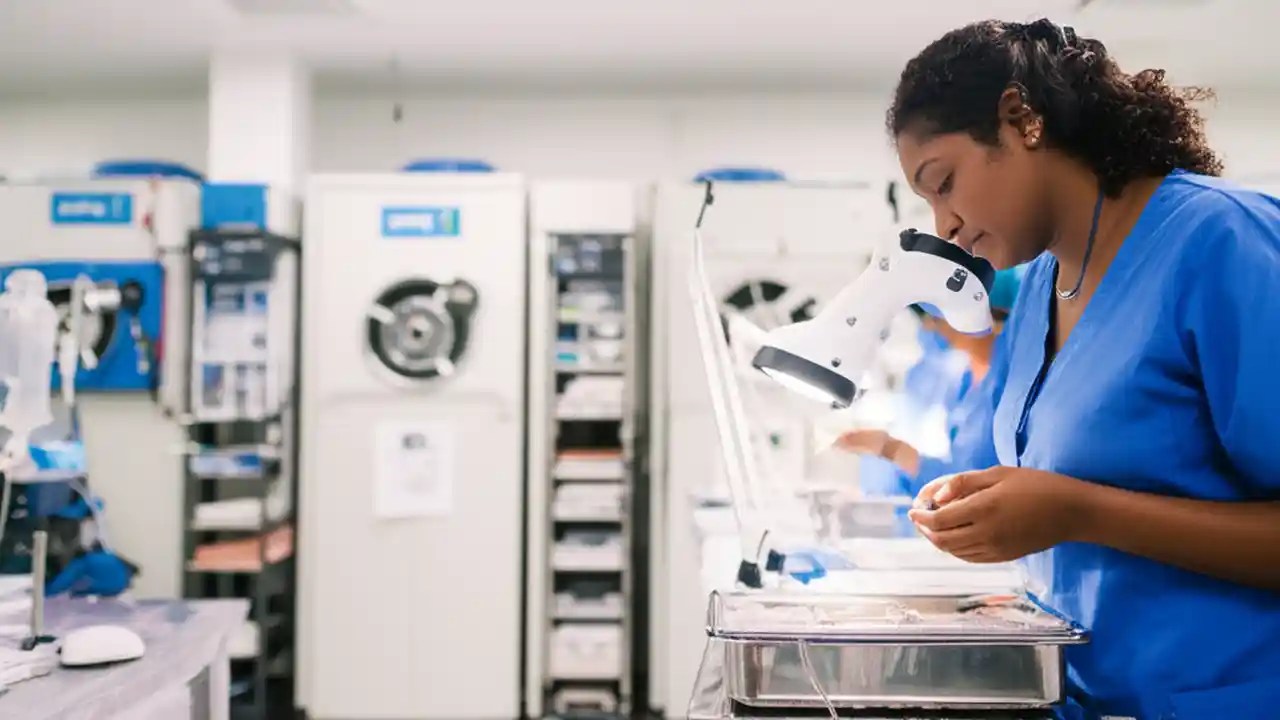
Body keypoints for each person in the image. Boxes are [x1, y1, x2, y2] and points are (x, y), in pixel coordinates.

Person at [886, 18, 1280, 719]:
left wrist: (1078, 510)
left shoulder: (1222, 243)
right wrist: (989, 504)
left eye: (944, 183)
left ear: (1020, 119)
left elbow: (1080, 500)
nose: (943, 224)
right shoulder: (1042, 285)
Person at [835, 269, 1022, 496]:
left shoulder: (1011, 380)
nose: (930, 328)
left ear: (980, 315)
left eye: (936, 318)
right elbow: (958, 470)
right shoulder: (963, 382)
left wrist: (891, 449)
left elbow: (977, 480)